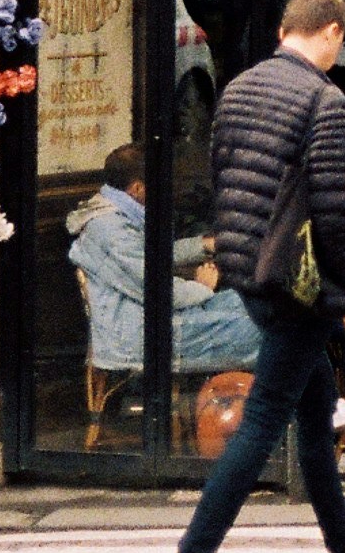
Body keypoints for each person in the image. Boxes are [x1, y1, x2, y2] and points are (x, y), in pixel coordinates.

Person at [174, 0, 345, 553]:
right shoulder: (326, 101)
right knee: (266, 416)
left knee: (315, 414)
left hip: (248, 270)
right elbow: (333, 210)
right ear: (332, 32)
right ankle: (195, 551)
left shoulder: (237, 88)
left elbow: (221, 179)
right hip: (297, 282)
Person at [68, 143, 263, 379]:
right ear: (137, 188)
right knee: (262, 328)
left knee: (253, 303)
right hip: (140, 336)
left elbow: (150, 258)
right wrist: (203, 287)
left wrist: (203, 245)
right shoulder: (110, 229)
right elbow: (157, 290)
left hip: (148, 320)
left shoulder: (113, 214)